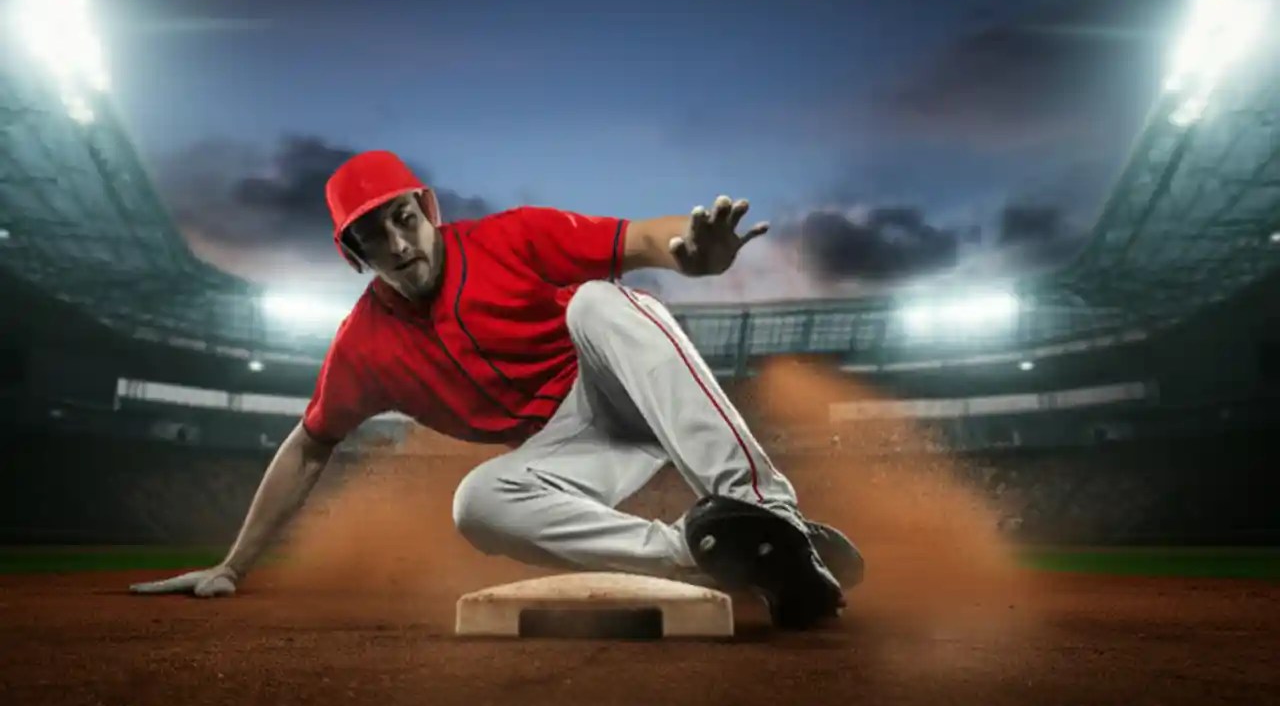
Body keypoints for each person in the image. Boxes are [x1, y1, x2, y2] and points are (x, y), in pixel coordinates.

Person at [130, 150, 863, 629]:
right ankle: (711, 554)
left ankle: (773, 518)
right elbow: (308, 446)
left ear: (429, 209)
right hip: (578, 446)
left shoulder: (511, 239)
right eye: (371, 238)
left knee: (594, 300)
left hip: (620, 377)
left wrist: (694, 256)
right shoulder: (365, 346)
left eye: (403, 219)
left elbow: (643, 240)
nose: (397, 244)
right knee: (475, 504)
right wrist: (234, 565)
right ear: (353, 258)